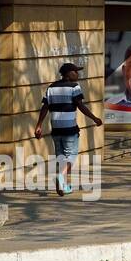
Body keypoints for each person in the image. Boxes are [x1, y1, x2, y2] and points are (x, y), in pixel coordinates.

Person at [34, 63, 102, 196]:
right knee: (71, 156)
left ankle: (64, 186)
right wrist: (94, 118)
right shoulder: (74, 87)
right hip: (69, 129)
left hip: (56, 129)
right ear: (68, 73)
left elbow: (45, 107)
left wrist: (39, 125)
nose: (78, 74)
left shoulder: (51, 87)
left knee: (61, 158)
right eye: (76, 72)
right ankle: (60, 177)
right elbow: (80, 105)